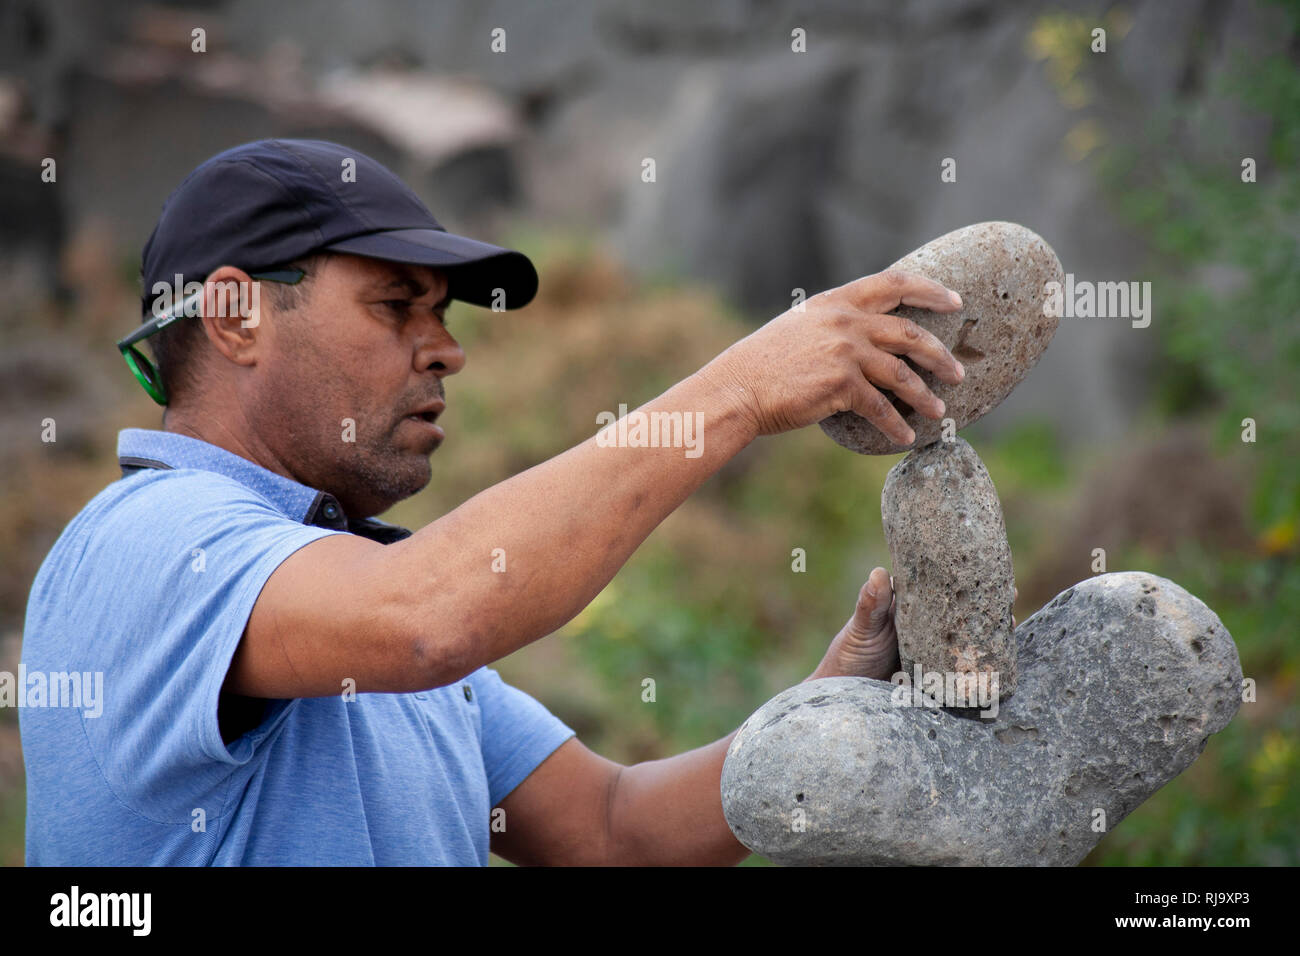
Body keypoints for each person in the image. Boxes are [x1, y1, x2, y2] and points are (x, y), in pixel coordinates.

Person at [20, 138, 966, 865]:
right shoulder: (151, 542)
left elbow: (615, 832)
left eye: (444, 312)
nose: (446, 349)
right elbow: (431, 618)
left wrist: (831, 703)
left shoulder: (353, 587)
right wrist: (739, 390)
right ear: (234, 317)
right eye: (397, 306)